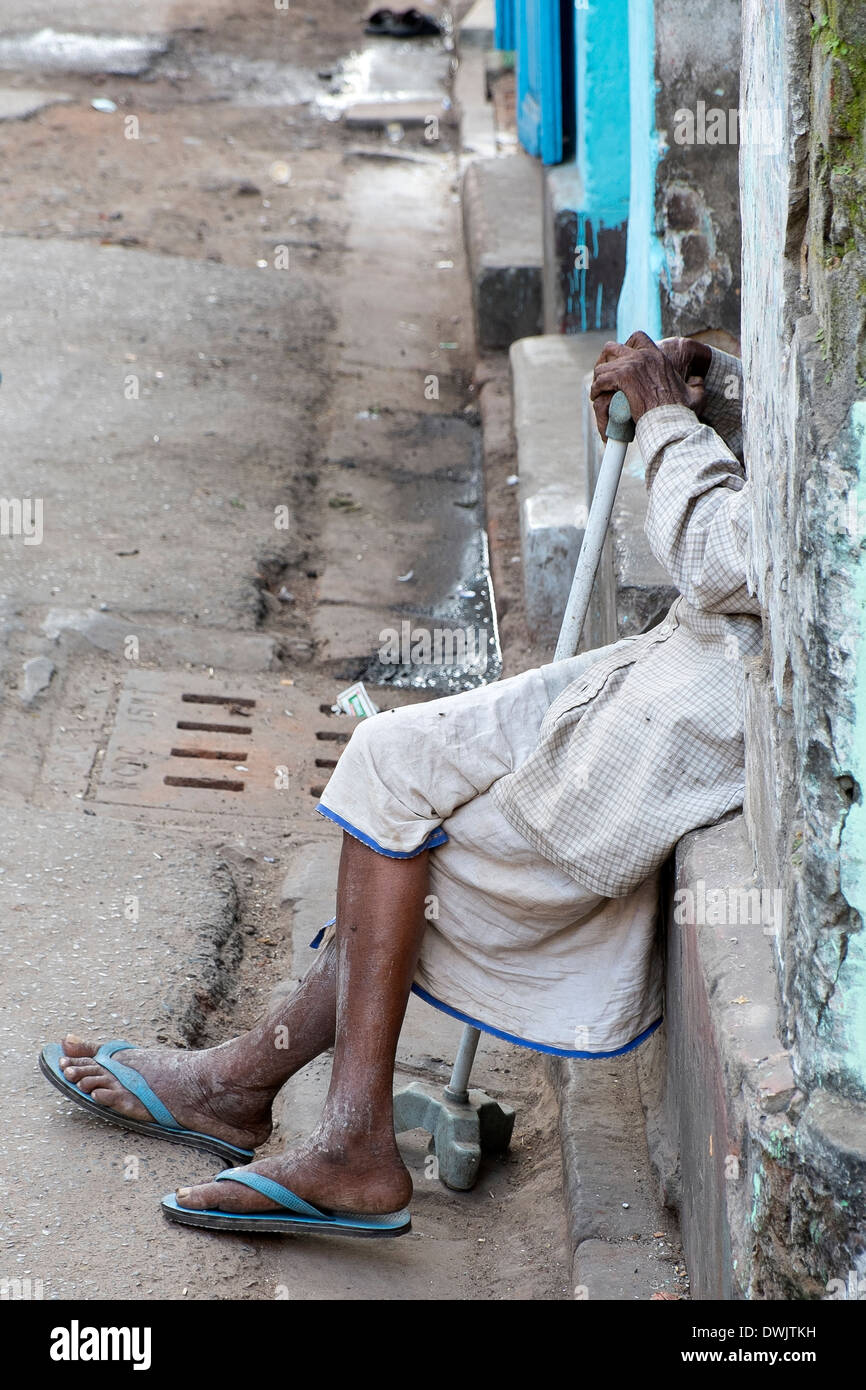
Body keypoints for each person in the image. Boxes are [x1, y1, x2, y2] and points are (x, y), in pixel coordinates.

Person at [40, 331, 761, 1237]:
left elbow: (732, 558)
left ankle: (333, 1135)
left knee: (418, 875)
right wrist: (717, 390)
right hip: (674, 656)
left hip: (717, 705)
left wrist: (661, 418)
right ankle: (244, 1088)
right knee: (387, 757)